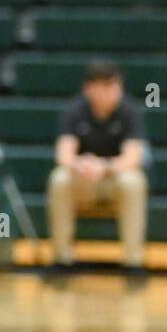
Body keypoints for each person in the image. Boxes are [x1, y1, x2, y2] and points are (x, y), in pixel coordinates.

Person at [47, 58, 148, 275]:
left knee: (133, 181)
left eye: (115, 85)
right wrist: (80, 164)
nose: (112, 92)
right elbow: (63, 154)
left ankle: (134, 262)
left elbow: (133, 157)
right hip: (84, 180)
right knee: (59, 179)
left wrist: (105, 166)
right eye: (105, 86)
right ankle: (62, 259)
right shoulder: (74, 111)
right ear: (89, 89)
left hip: (114, 180)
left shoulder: (130, 110)